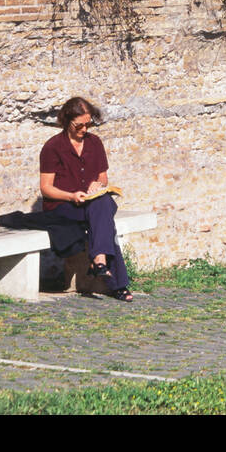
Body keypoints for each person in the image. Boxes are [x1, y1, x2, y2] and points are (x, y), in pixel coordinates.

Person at [38, 96, 133, 301]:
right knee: (105, 219)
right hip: (63, 204)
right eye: (79, 125)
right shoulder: (52, 147)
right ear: (66, 121)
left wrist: (97, 185)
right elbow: (46, 188)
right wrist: (71, 195)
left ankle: (99, 261)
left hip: (91, 202)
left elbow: (103, 177)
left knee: (102, 203)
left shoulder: (95, 143)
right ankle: (116, 284)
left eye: (88, 124)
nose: (84, 129)